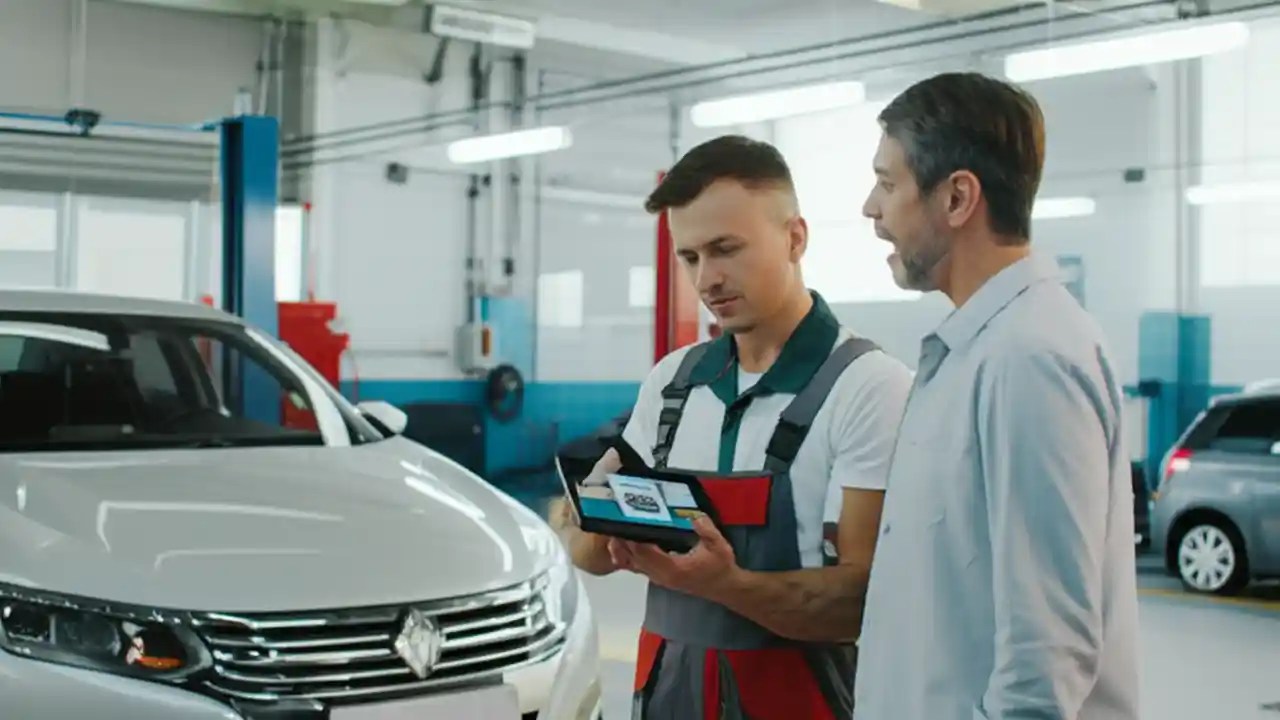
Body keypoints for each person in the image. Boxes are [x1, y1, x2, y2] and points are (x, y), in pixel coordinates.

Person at [562, 134, 913, 719]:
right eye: (691, 257)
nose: (707, 281)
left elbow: (860, 601)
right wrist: (594, 522)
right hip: (667, 697)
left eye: (726, 249)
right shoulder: (673, 384)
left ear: (796, 238)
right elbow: (589, 554)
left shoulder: (869, 387)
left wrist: (722, 583)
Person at [853, 72, 1140, 719]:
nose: (872, 208)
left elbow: (1046, 657)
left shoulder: (1028, 358)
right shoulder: (971, 351)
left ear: (957, 198)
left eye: (888, 182)